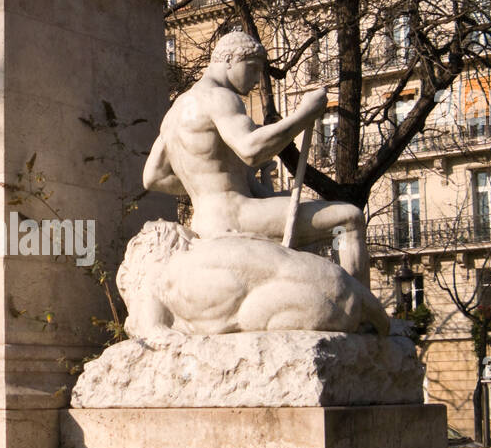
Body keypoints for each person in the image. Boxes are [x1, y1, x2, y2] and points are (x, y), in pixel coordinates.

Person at [143, 31, 369, 286]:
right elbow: (250, 149)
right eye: (251, 69)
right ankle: (359, 300)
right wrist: (304, 114)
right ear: (228, 60)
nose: (255, 80)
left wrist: (210, 183)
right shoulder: (221, 97)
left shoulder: (174, 111)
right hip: (239, 217)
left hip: (205, 219)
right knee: (349, 220)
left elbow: (153, 177)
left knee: (307, 209)